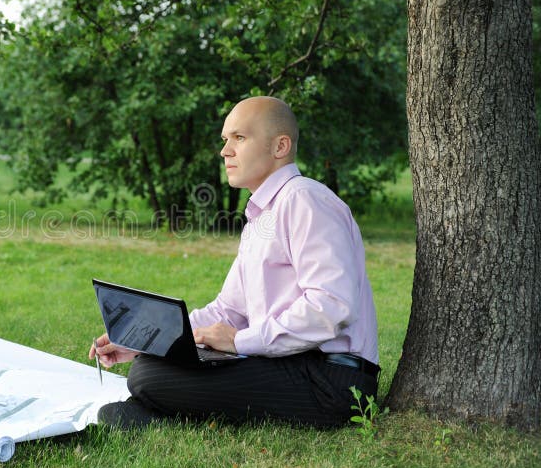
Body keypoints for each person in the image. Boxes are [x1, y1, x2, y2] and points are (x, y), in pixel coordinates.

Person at [89, 96, 379, 429]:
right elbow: (228, 311)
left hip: (333, 382)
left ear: (280, 146)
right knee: (151, 366)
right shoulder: (262, 217)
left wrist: (239, 342)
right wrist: (144, 340)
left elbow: (332, 307)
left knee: (148, 376)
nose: (225, 151)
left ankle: (158, 414)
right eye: (225, 140)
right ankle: (153, 412)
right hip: (291, 364)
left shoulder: (304, 200)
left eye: (239, 138)